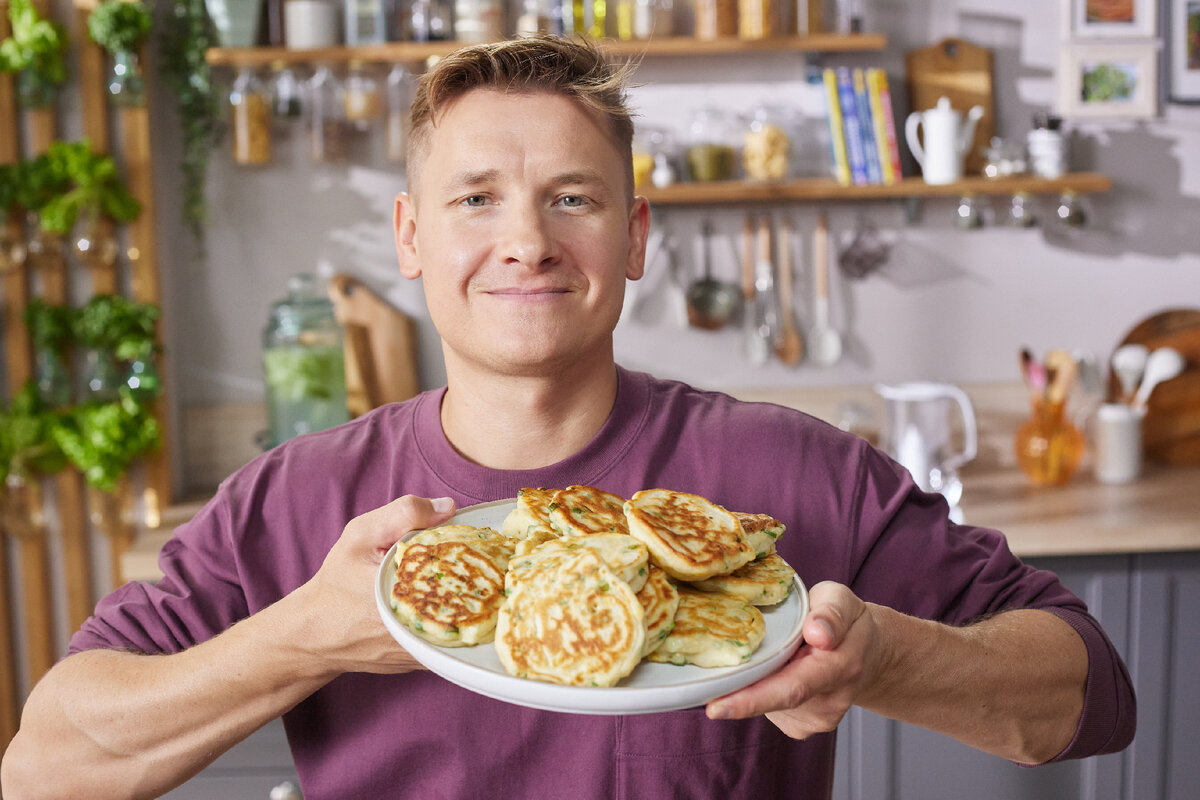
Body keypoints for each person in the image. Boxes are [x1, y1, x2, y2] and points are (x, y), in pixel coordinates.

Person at [1, 36, 1134, 800]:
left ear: (636, 235)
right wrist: (304, 635)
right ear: (410, 237)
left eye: (573, 199)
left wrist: (884, 657)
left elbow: (1086, 693)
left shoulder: (791, 474)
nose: (528, 241)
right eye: (476, 199)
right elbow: (44, 762)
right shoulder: (300, 498)